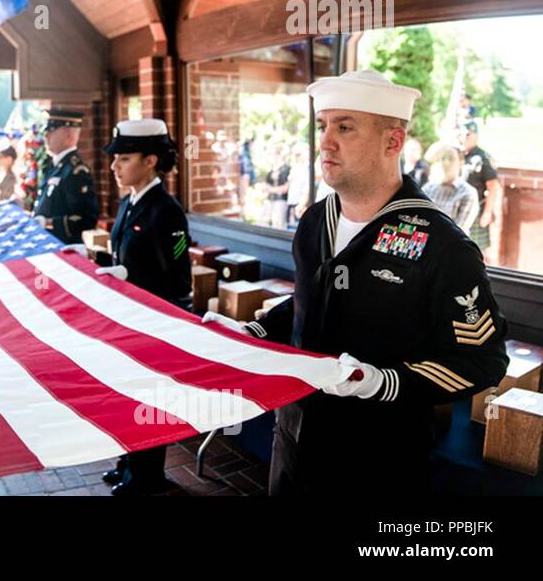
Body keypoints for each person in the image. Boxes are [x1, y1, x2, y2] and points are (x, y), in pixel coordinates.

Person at [206, 70, 508, 495]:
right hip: (293, 433)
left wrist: (383, 382)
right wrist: (252, 331)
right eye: (323, 126)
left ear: (393, 142)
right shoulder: (315, 221)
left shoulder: (442, 245)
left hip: (378, 457)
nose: (325, 141)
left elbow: (484, 361)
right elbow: (308, 305)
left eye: (344, 127)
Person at [88, 118, 192, 495]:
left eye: (124, 158)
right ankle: (128, 463)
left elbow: (179, 279)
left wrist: (127, 274)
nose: (114, 166)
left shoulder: (167, 212)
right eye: (115, 159)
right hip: (128, 319)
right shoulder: (130, 202)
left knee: (149, 399)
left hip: (156, 323)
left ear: (151, 160)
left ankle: (145, 478)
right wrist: (96, 262)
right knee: (126, 393)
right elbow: (124, 254)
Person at [34, 109, 99, 244]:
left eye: (51, 131)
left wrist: (47, 223)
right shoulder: (53, 166)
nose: (46, 136)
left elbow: (86, 219)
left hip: (63, 246)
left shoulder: (75, 171)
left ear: (68, 136)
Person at [459, 121, 501, 254]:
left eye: (468, 134)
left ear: (476, 136)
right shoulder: (459, 155)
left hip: (477, 210)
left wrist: (487, 213)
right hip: (460, 209)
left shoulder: (483, 158)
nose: (465, 137)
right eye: (463, 134)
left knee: (477, 251)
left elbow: (493, 187)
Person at [422, 141, 479, 235]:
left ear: (461, 162)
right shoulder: (428, 189)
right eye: (443, 158)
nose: (446, 163)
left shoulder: (468, 193)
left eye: (451, 158)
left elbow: (458, 232)